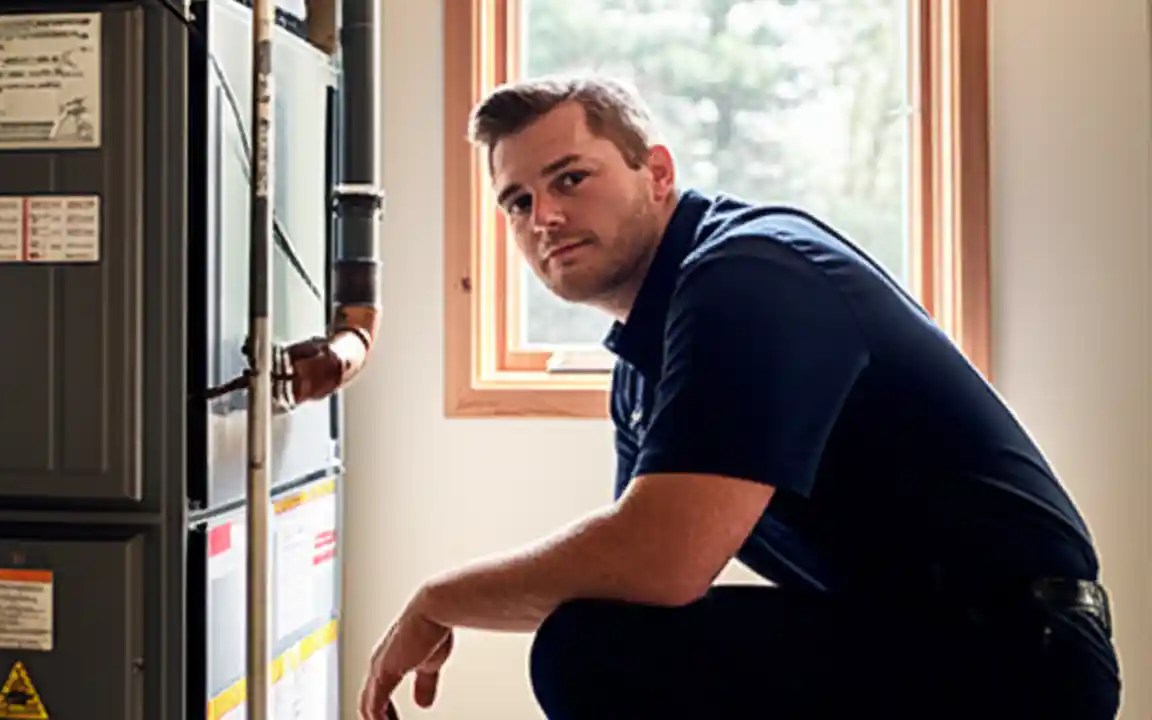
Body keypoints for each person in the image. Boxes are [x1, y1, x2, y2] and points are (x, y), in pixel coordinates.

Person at [356, 74, 1121, 719]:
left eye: (570, 178)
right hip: (912, 632)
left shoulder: (748, 274)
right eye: (517, 202)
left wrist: (439, 598)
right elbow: (634, 577)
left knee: (594, 651)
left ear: (657, 172)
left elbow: (662, 559)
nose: (544, 217)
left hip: (1017, 653)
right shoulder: (645, 354)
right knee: (605, 636)